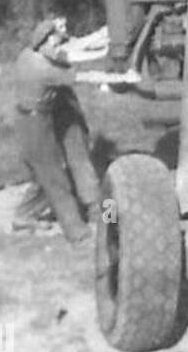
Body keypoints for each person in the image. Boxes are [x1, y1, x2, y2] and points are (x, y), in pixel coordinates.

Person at [12, 17, 136, 243]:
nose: (62, 40)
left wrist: (103, 37)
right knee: (54, 177)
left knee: (49, 172)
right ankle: (77, 233)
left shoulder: (31, 54)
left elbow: (73, 49)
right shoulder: (45, 68)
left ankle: (25, 216)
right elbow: (85, 75)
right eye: (59, 36)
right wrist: (122, 77)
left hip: (35, 115)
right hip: (35, 121)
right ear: (47, 42)